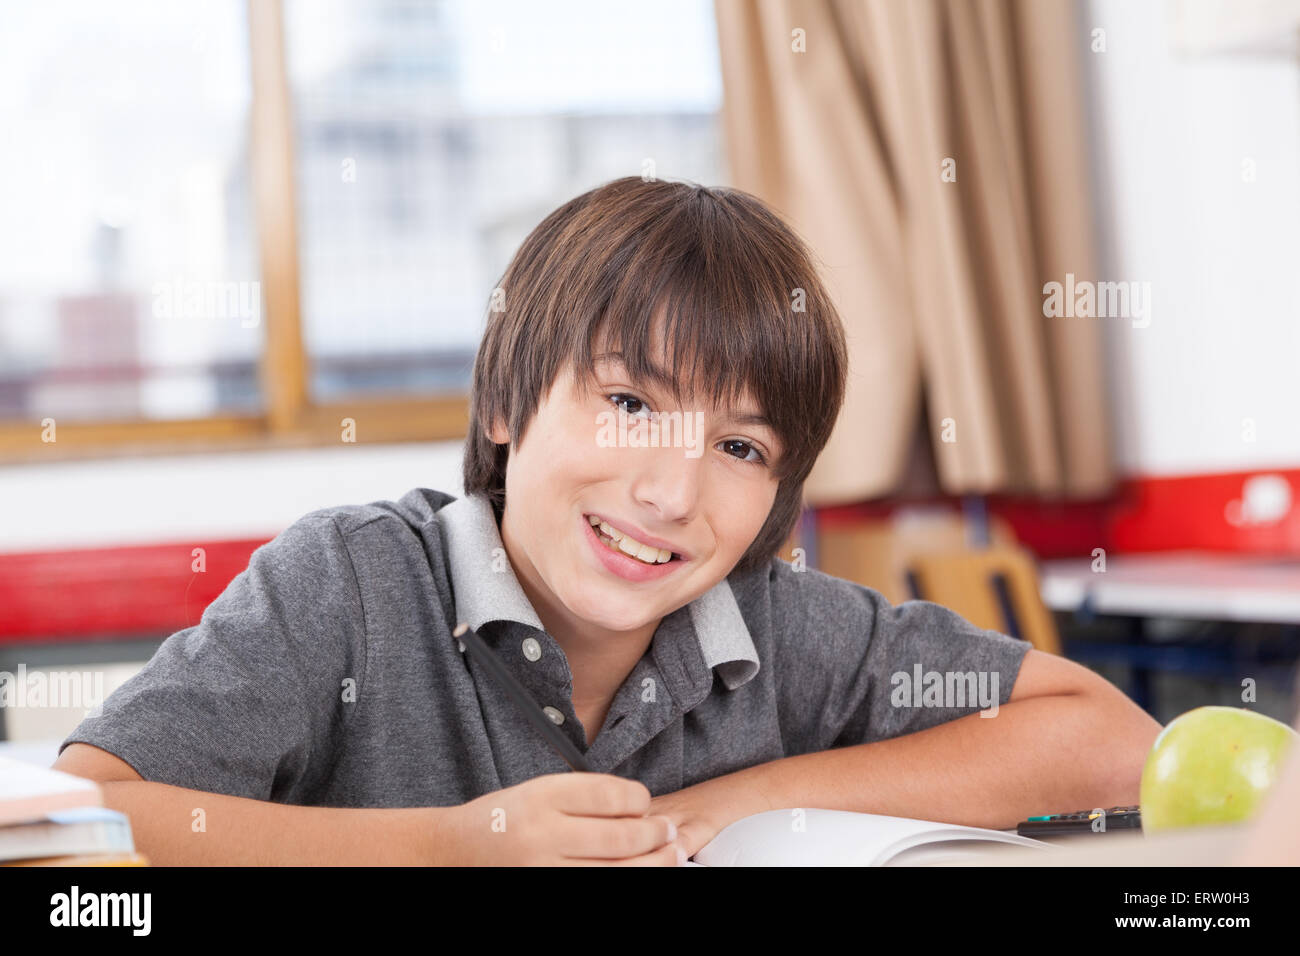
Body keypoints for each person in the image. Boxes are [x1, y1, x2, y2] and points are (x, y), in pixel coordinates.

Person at [54, 177, 1161, 865]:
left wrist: (729, 801)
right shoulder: (346, 583)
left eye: (740, 448)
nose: (670, 492)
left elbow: (1110, 740)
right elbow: (83, 817)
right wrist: (454, 847)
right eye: (629, 403)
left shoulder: (776, 624)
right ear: (504, 407)